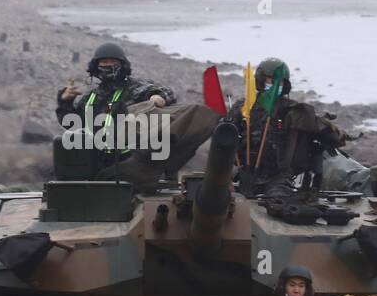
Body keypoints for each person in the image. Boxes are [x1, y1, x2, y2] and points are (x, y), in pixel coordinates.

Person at [56, 43, 221, 190]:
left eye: (113, 62)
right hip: (95, 163)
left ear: (122, 64)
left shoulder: (133, 88)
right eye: (103, 62)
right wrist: (65, 103)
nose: (108, 65)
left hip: (127, 161)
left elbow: (158, 91)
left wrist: (157, 97)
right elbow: (73, 127)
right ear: (95, 66)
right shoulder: (90, 97)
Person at [225, 57, 351, 194]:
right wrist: (227, 177)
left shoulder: (294, 111)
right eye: (270, 80)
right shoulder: (244, 107)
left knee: (280, 202)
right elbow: (222, 137)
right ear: (260, 81)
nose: (274, 84)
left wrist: (328, 130)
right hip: (246, 174)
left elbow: (329, 135)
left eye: (279, 81)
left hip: (278, 178)